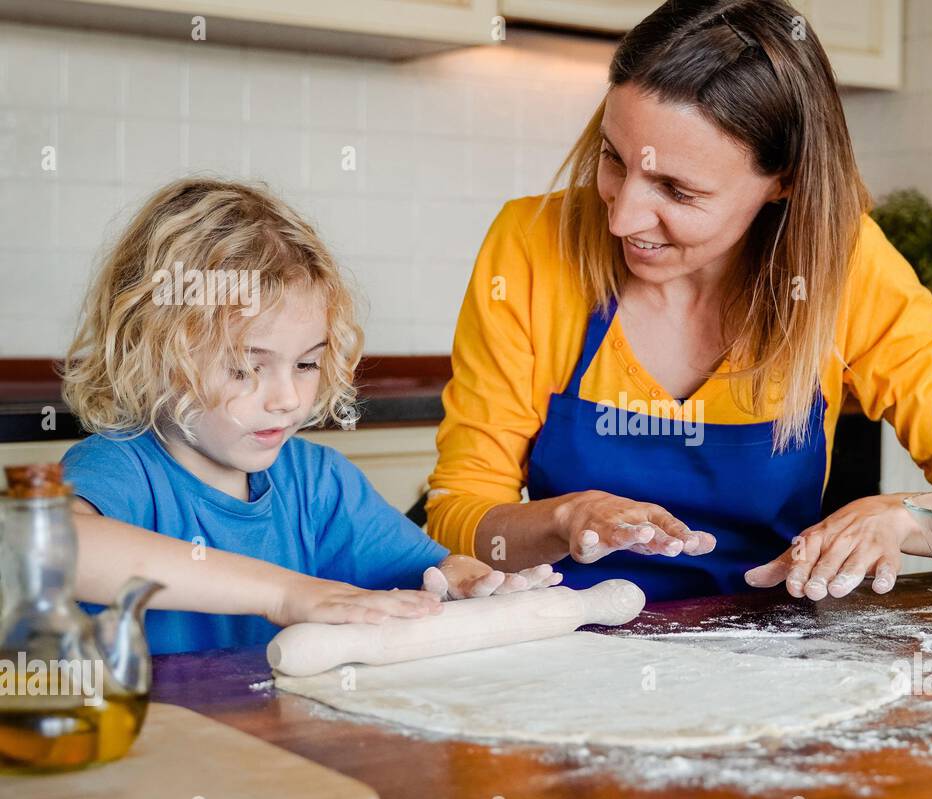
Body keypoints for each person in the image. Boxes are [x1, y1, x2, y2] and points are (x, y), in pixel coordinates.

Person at [426, 0, 932, 604]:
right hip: (563, 637)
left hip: (766, 657)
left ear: (785, 181)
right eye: (614, 158)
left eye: (676, 189)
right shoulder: (532, 245)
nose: (623, 218)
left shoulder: (844, 269)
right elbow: (458, 513)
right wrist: (566, 518)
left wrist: (906, 518)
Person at [59, 178, 560, 654]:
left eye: (305, 364)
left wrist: (466, 583)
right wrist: (283, 594)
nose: (286, 399)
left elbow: (429, 571)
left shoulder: (319, 484)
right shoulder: (120, 468)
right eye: (244, 368)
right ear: (153, 355)